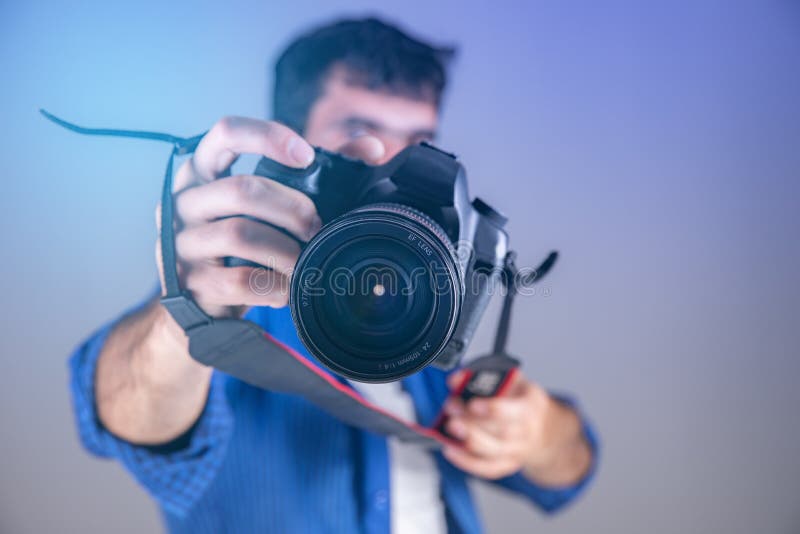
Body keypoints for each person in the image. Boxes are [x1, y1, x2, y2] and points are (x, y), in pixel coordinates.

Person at [69, 17, 599, 534]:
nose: (393, 171)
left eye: (419, 145)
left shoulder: (432, 309)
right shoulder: (226, 291)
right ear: (291, 152)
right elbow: (126, 418)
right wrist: (183, 322)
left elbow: (570, 472)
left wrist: (538, 431)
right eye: (357, 144)